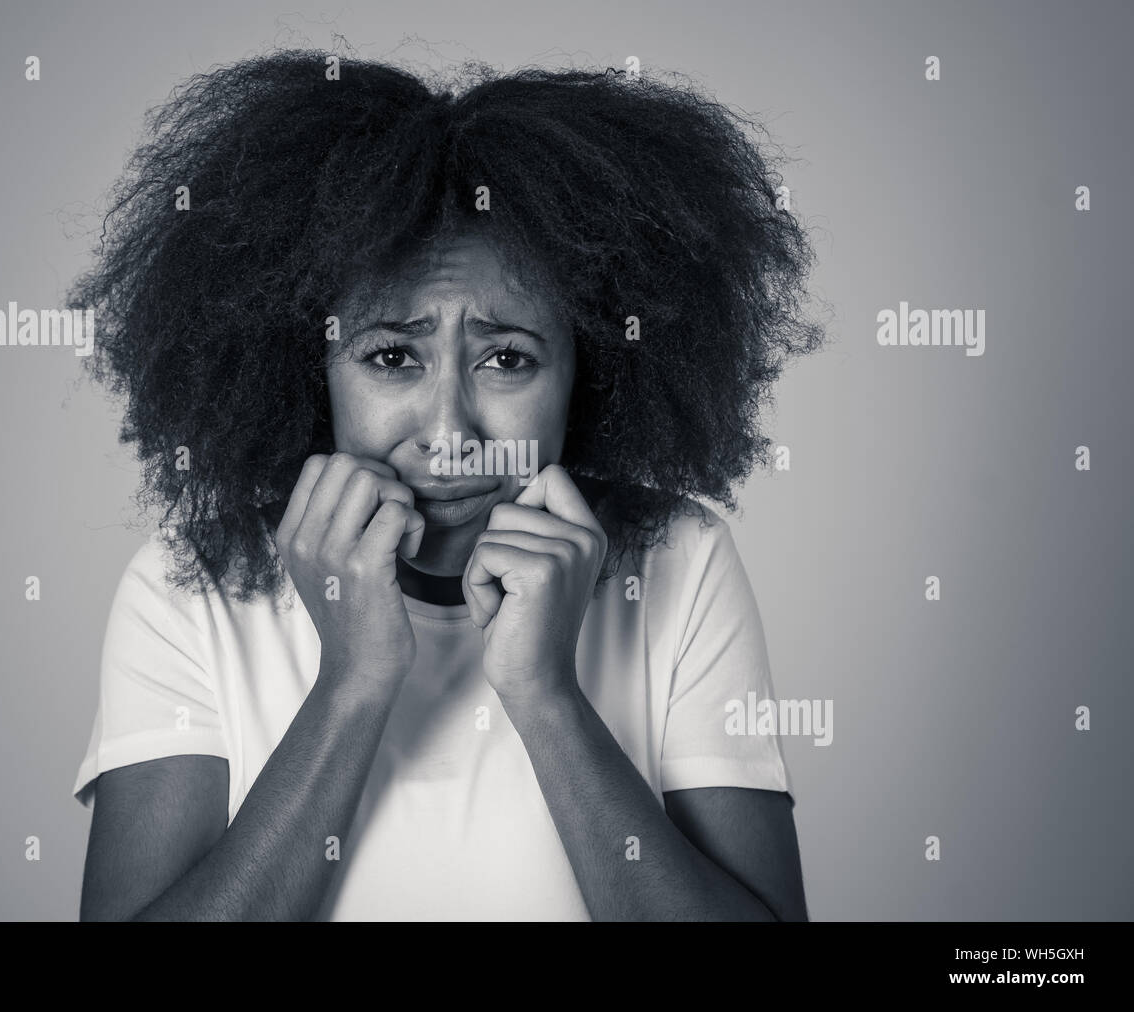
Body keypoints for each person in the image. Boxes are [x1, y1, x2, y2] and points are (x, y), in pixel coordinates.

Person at [68, 49, 825, 920]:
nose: (450, 435)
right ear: (311, 369)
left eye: (507, 359)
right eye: (392, 357)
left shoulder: (678, 564)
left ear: (595, 370)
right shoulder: (188, 587)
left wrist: (546, 694)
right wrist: (351, 684)